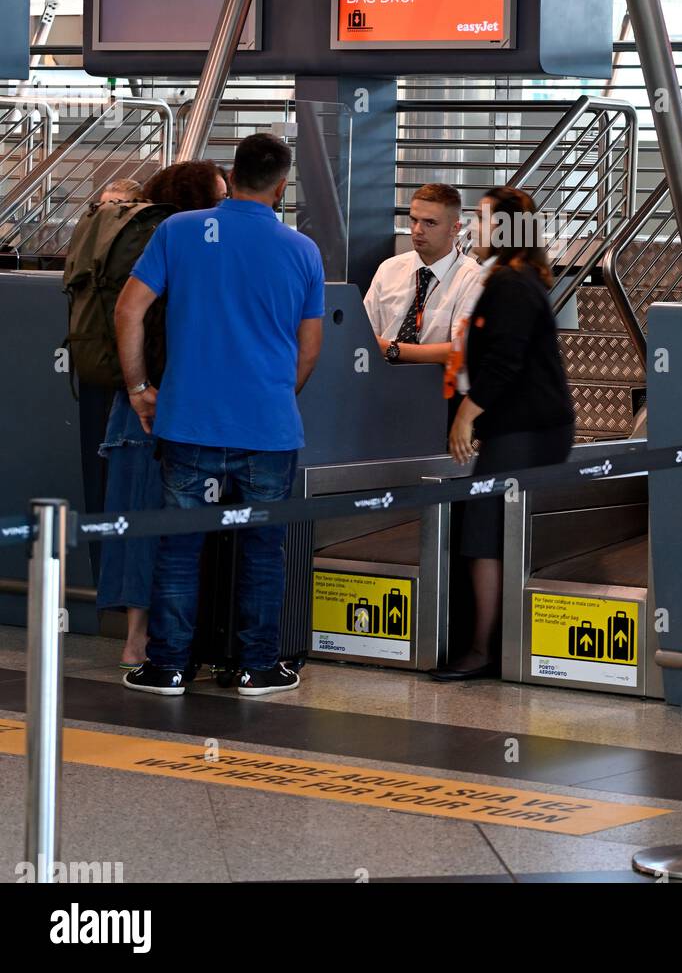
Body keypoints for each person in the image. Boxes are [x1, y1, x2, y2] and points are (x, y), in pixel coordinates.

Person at [114, 133, 325, 698]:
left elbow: (129, 310)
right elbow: (310, 347)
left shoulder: (178, 230)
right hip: (269, 428)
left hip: (187, 422)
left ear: (231, 176)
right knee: (262, 550)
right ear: (282, 187)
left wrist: (139, 389)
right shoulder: (302, 250)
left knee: (180, 548)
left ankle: (168, 668)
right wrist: (279, 394)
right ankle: (257, 667)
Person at [433, 186, 575, 682]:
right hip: (523, 425)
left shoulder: (511, 283)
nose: (474, 228)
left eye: (482, 219)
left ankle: (483, 649)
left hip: (526, 427)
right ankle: (494, 645)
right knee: (491, 531)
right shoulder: (512, 277)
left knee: (485, 531)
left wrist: (466, 417)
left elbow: (504, 363)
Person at [96, 161, 227, 668]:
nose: (223, 205)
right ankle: (157, 639)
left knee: (136, 517)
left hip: (131, 403)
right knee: (170, 522)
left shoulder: (140, 236)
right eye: (217, 196)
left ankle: (138, 636)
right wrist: (145, 388)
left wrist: (134, 388)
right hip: (170, 399)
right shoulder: (188, 240)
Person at [363, 183, 482, 424]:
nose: (417, 230)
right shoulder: (389, 269)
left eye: (430, 223)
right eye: (413, 220)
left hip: (439, 399)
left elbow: (461, 350)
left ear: (455, 229)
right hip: (379, 390)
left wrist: (392, 349)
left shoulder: (472, 277)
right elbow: (362, 336)